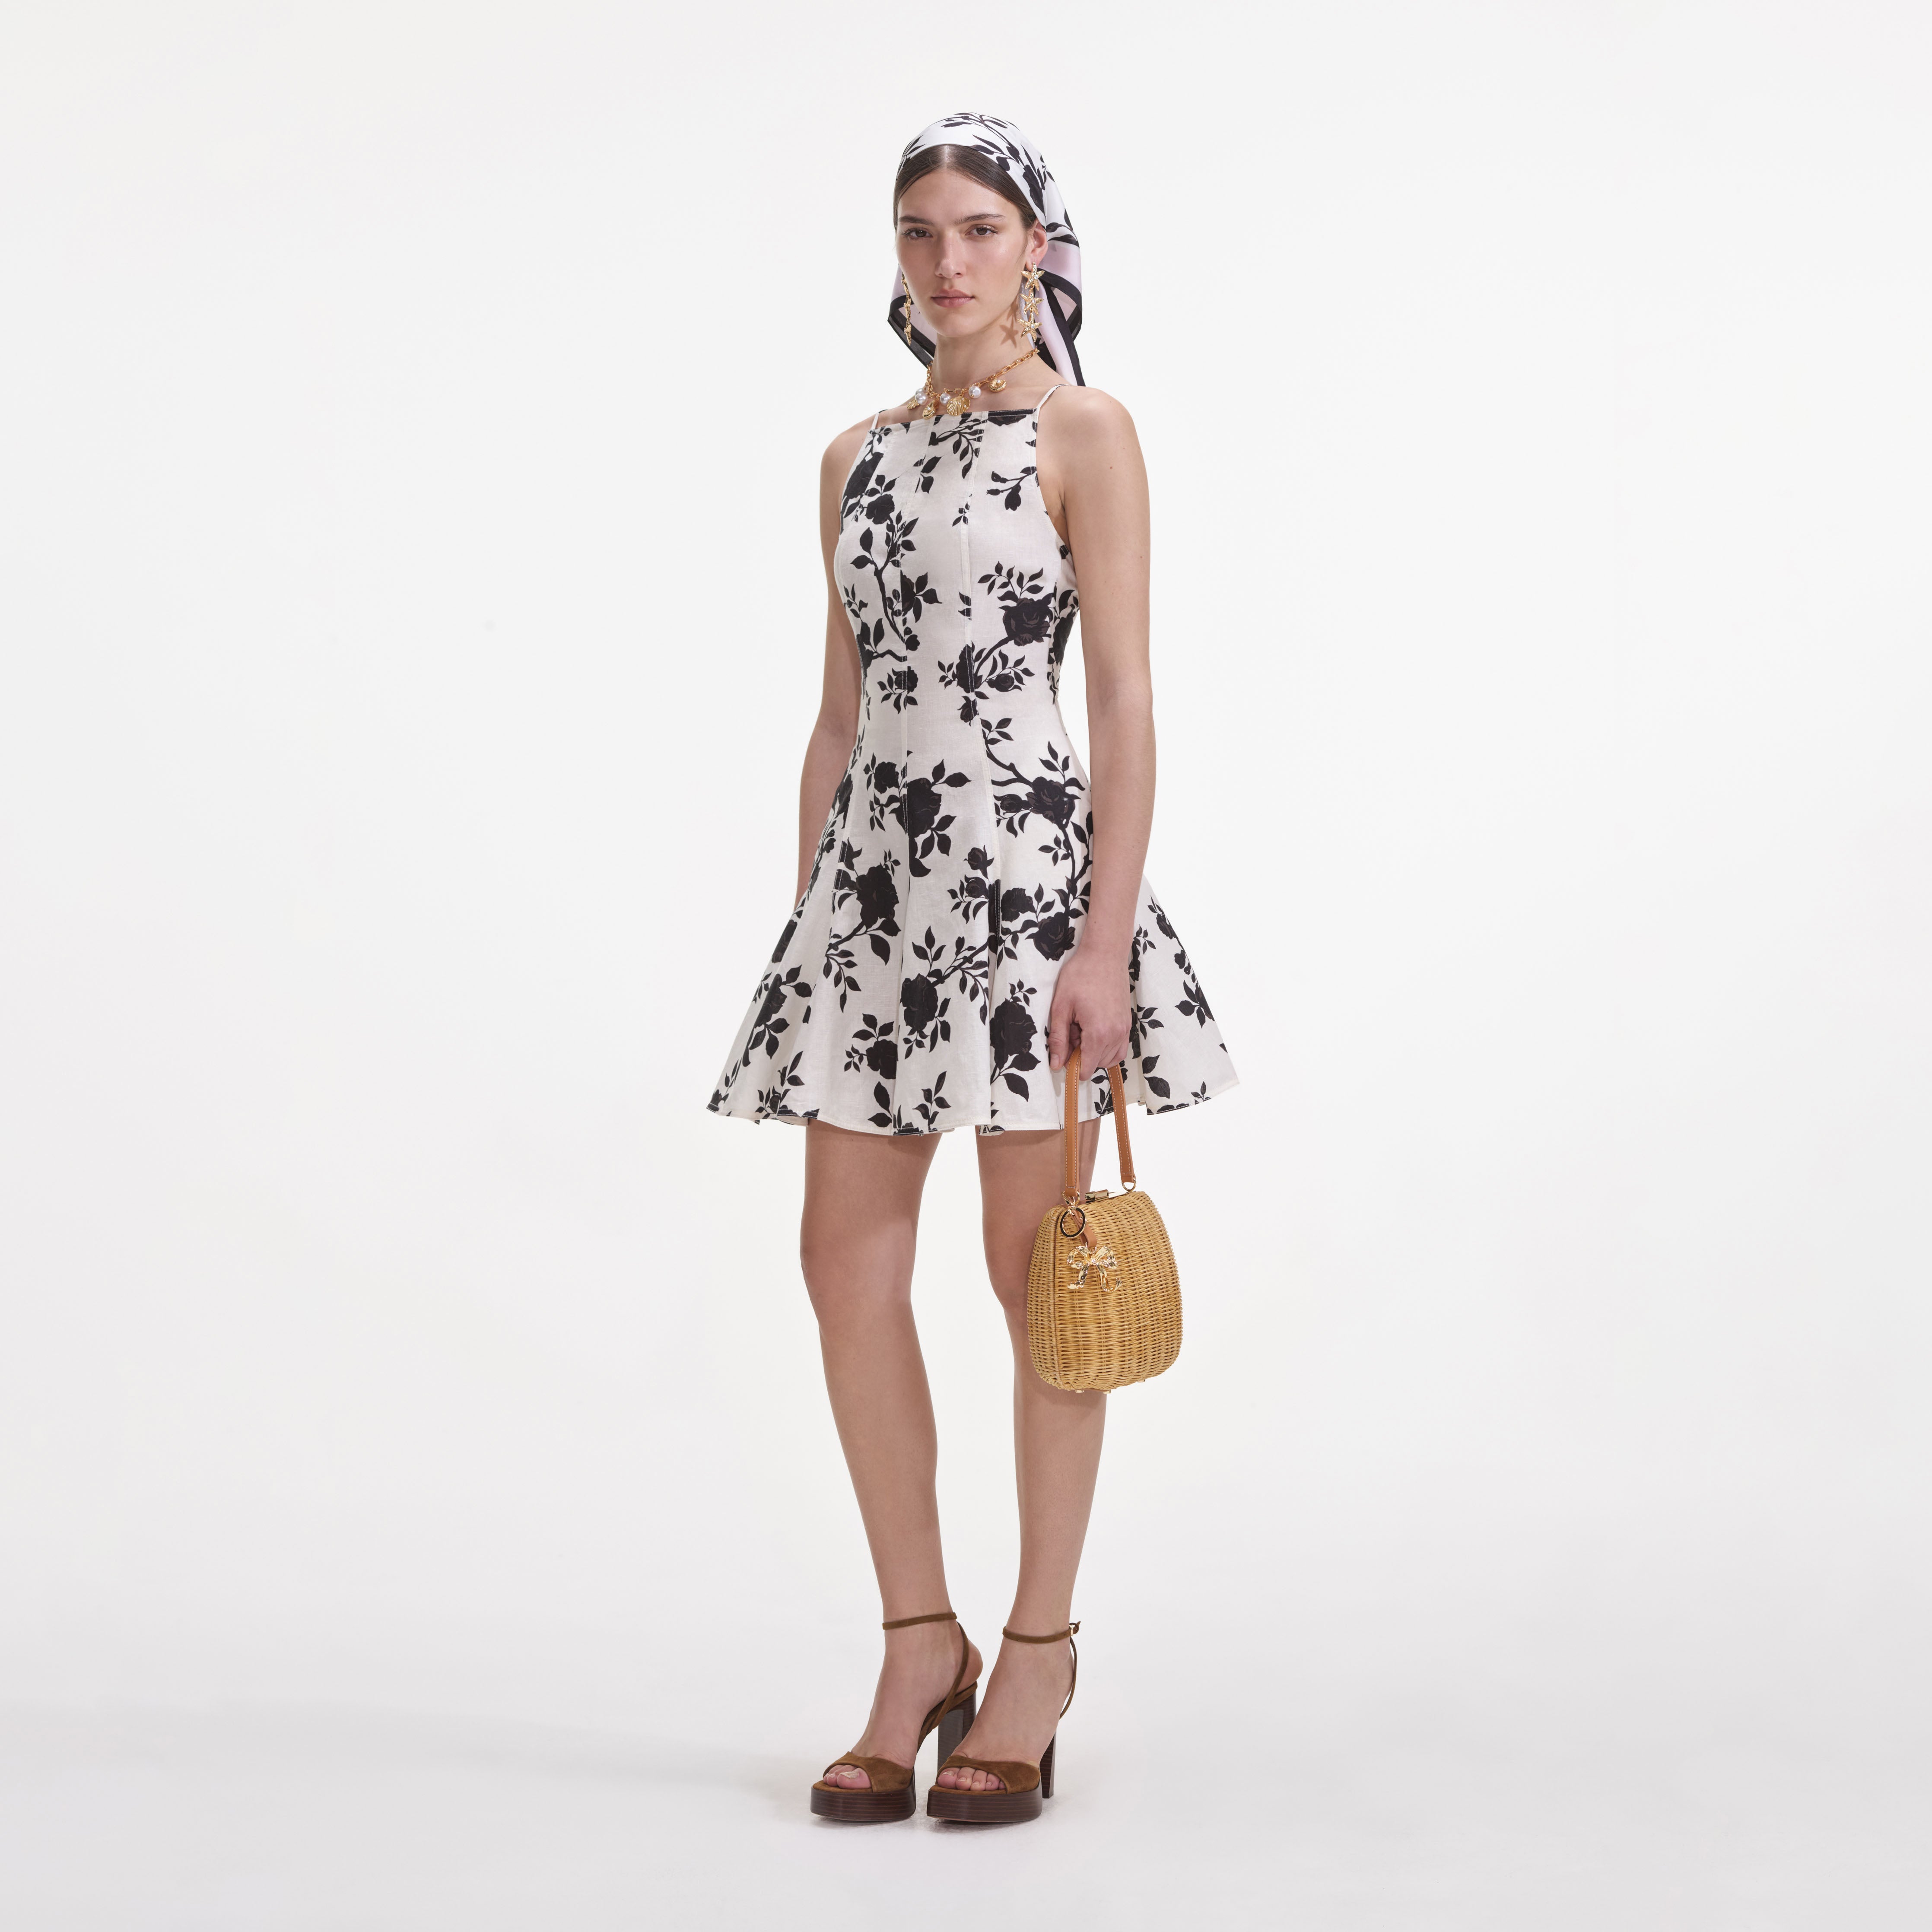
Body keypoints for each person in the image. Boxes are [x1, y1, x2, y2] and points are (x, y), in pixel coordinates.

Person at [707, 112, 1236, 1824]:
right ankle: (915, 1639)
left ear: (1036, 249)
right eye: (919, 232)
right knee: (841, 1267)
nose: (947, 261)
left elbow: (1125, 702)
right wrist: (810, 934)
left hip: (1027, 899)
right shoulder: (851, 457)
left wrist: (1105, 940)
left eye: (979, 230)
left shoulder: (1083, 431)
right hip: (870, 909)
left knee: (1037, 1280)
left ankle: (1037, 1651)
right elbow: (837, 714)